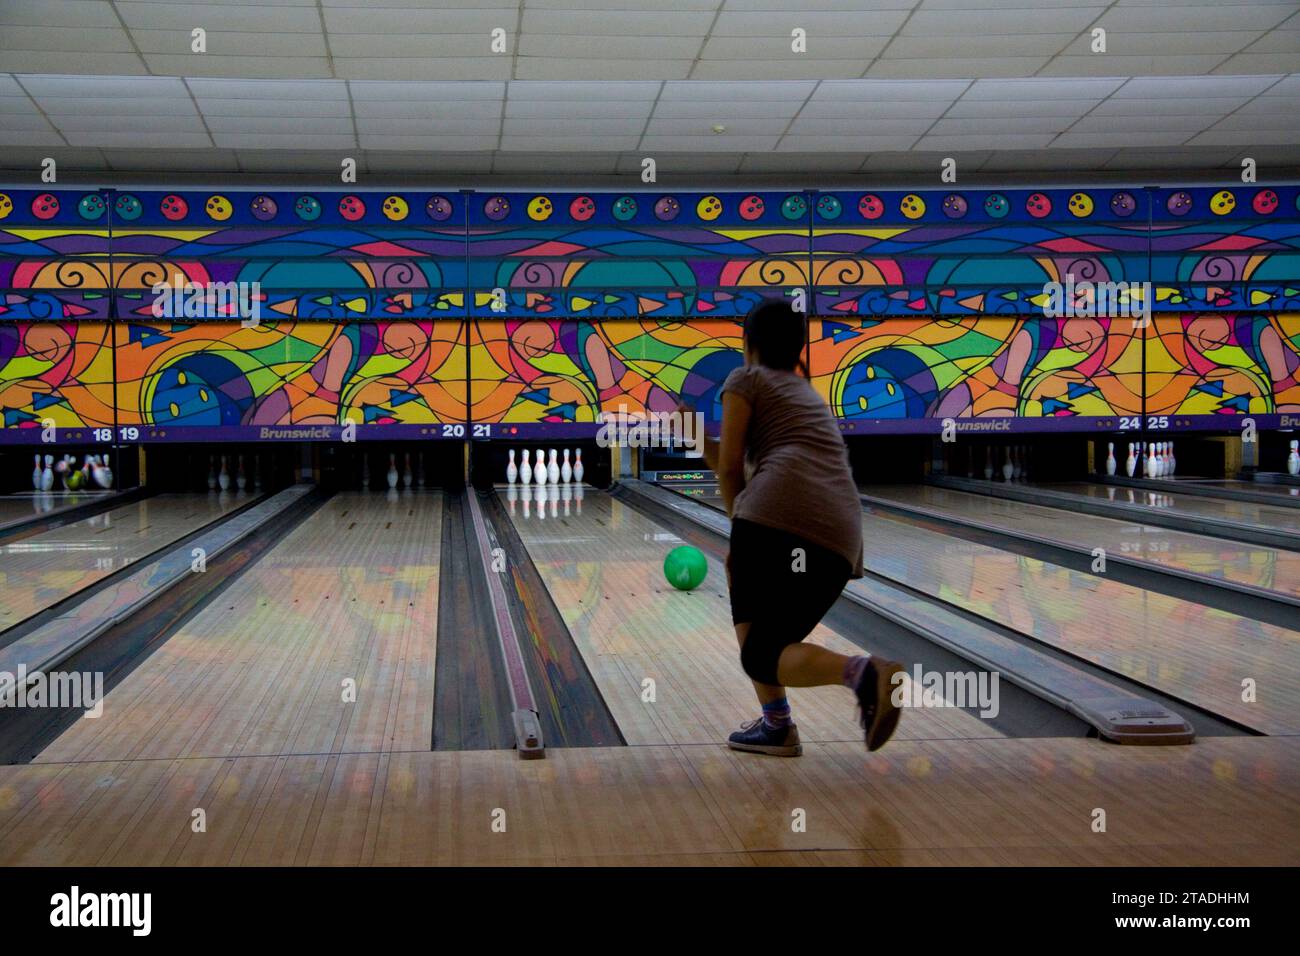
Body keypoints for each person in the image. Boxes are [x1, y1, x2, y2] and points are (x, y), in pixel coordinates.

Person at [688, 298, 903, 756]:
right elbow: (742, 459)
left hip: (774, 517)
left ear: (747, 344)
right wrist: (697, 438)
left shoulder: (744, 378)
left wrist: (738, 528)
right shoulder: (805, 396)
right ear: (799, 347)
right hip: (841, 541)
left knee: (760, 652)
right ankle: (777, 727)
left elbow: (729, 470)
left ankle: (863, 674)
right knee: (768, 644)